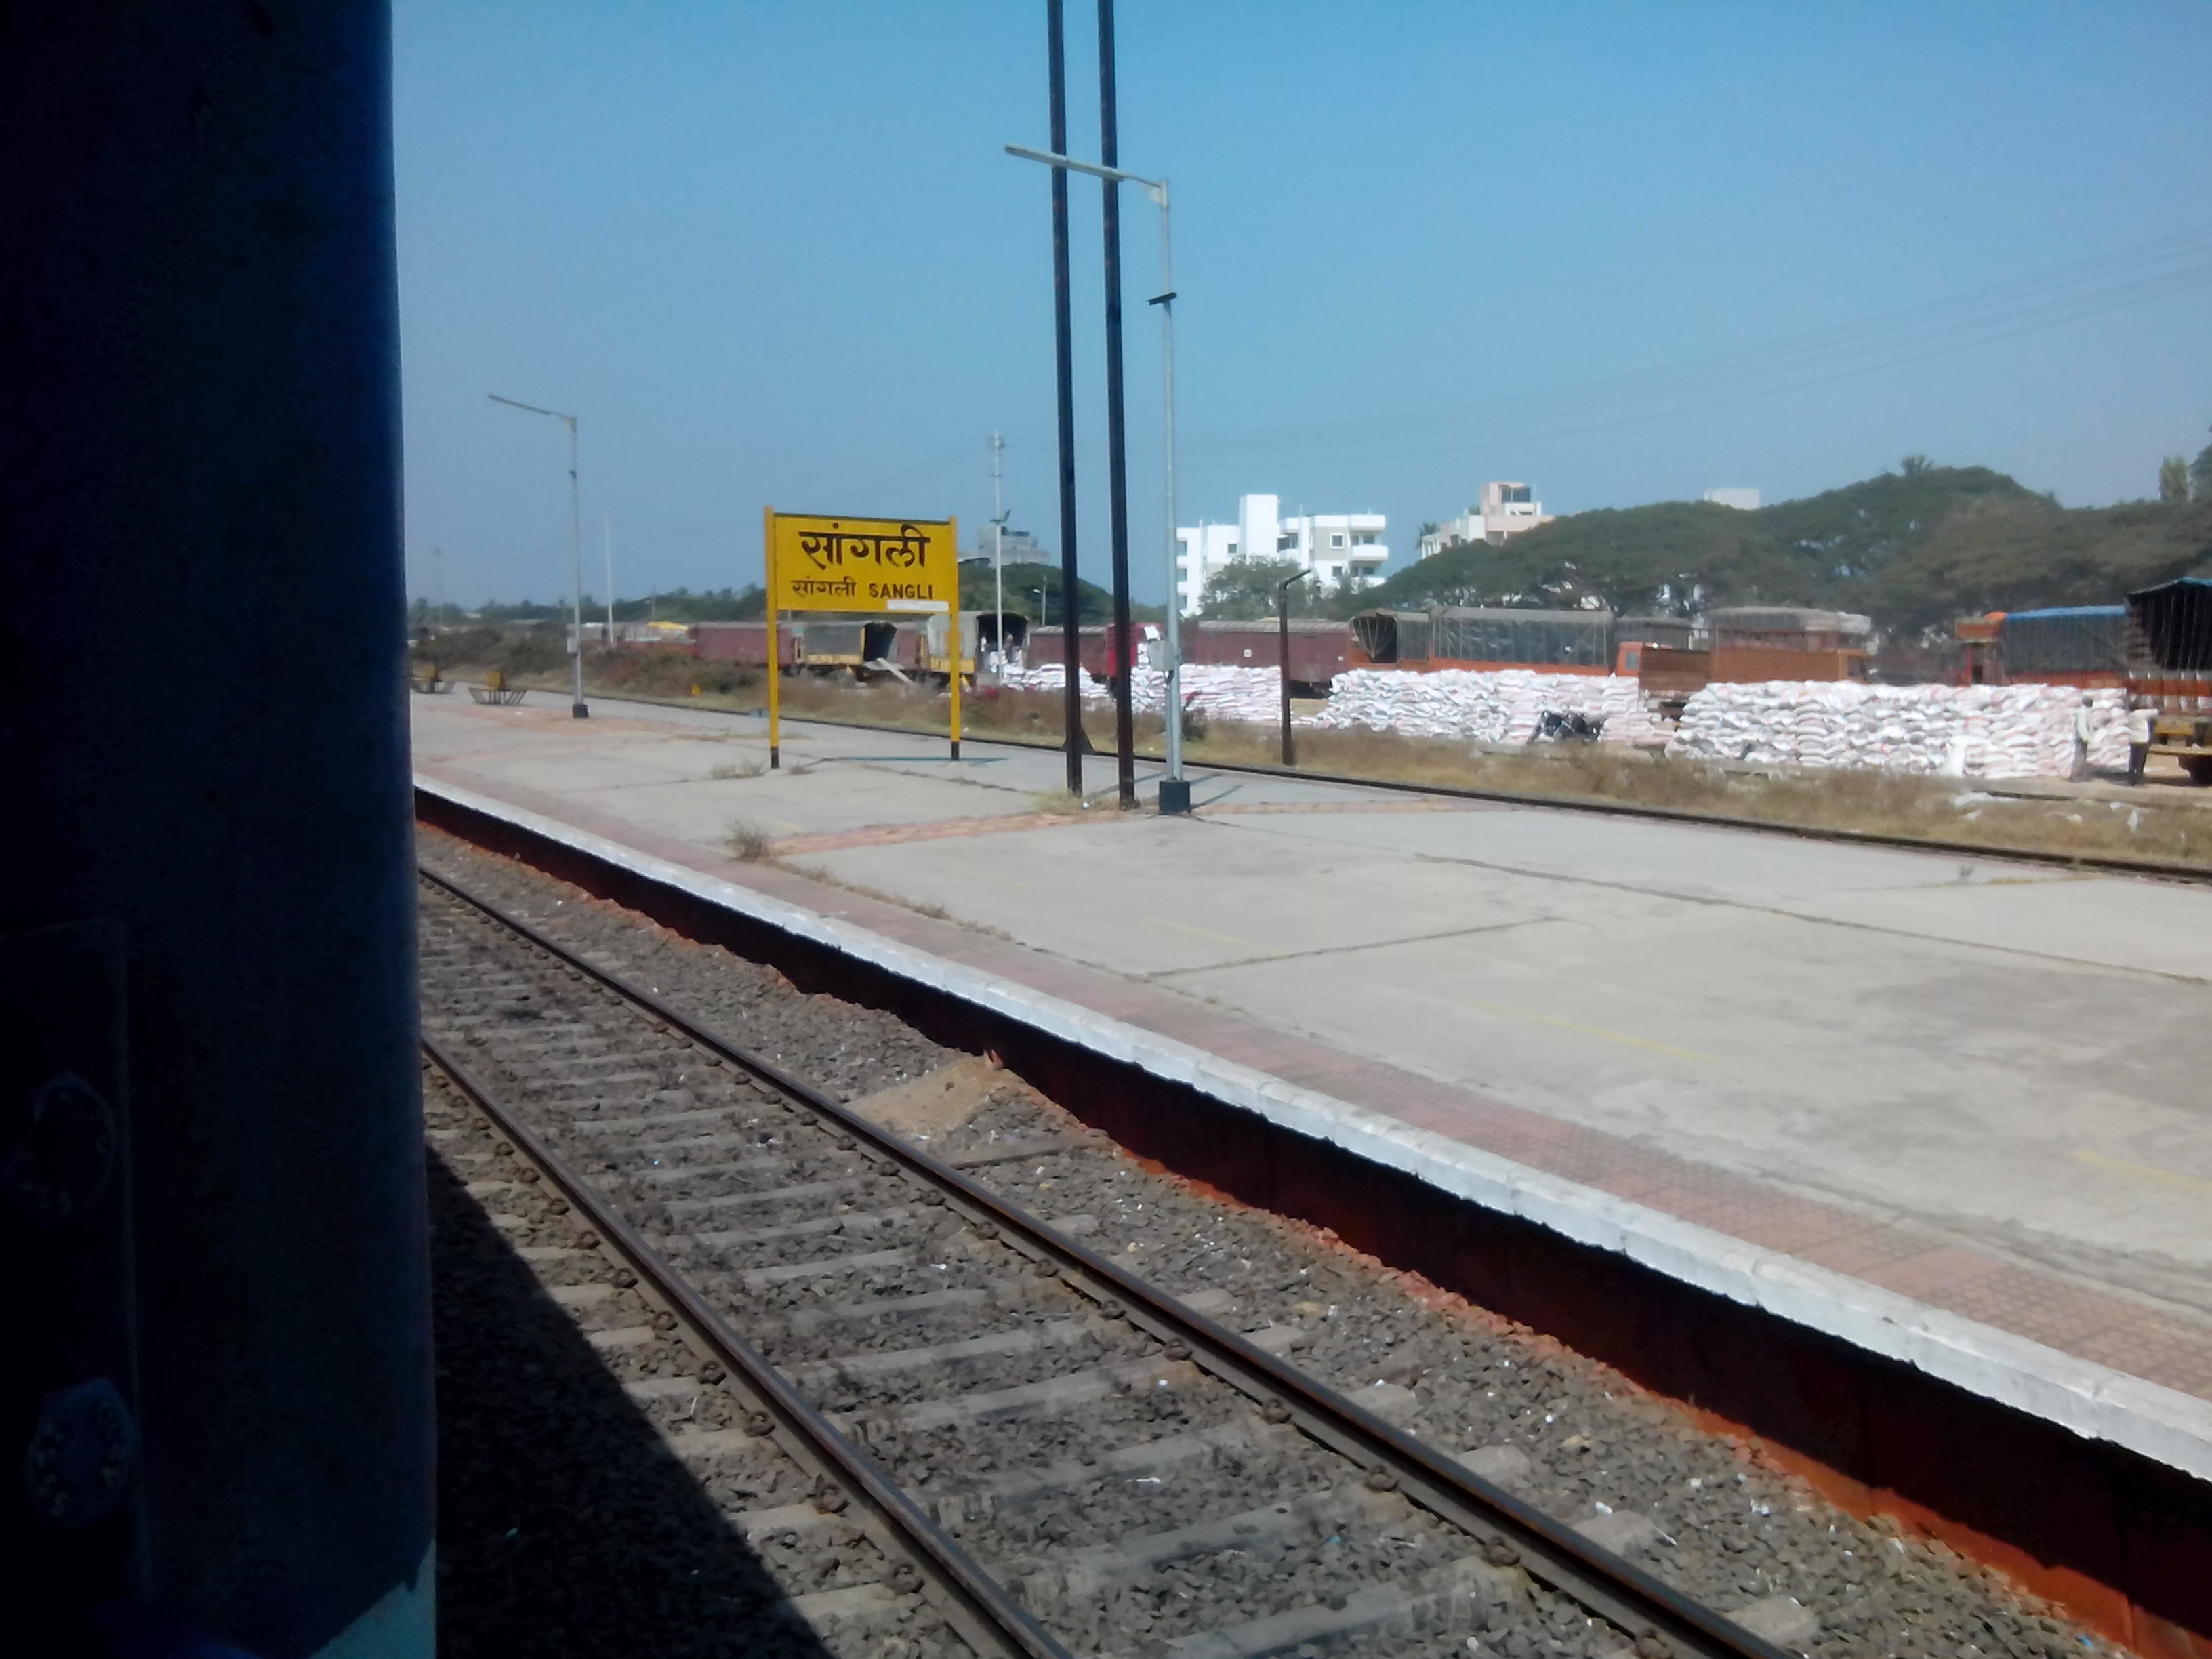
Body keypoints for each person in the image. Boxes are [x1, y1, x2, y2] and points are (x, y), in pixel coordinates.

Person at [2127, 699, 2156, 784]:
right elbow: (2155, 712)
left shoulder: (2130, 715)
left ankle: (2131, 779)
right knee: (2141, 760)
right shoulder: (2142, 714)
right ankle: (2139, 778)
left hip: (2133, 739)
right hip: (2142, 740)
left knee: (2133, 760)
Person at [2071, 692, 2095, 781]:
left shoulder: (2085, 711)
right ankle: (2074, 775)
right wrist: (2085, 737)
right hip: (2081, 737)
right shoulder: (2082, 712)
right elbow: (2082, 726)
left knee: (2083, 756)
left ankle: (2082, 775)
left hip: (2083, 737)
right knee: (2079, 756)